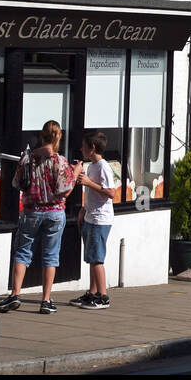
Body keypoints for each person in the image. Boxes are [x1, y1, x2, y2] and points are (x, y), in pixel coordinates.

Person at [0, 120, 77, 314]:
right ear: (58, 137)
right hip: (55, 212)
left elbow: (17, 183)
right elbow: (65, 190)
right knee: (50, 256)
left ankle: (15, 294)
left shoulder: (28, 159)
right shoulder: (61, 161)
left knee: (23, 252)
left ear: (41, 136)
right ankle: (46, 300)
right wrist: (76, 173)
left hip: (31, 210)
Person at [70, 131, 119, 309]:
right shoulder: (91, 166)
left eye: (84, 146)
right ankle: (92, 293)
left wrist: (89, 182)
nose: (81, 149)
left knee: (97, 259)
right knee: (91, 257)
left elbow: (111, 193)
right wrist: (83, 209)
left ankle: (103, 296)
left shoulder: (103, 167)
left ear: (92, 148)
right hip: (91, 216)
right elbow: (91, 193)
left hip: (101, 219)